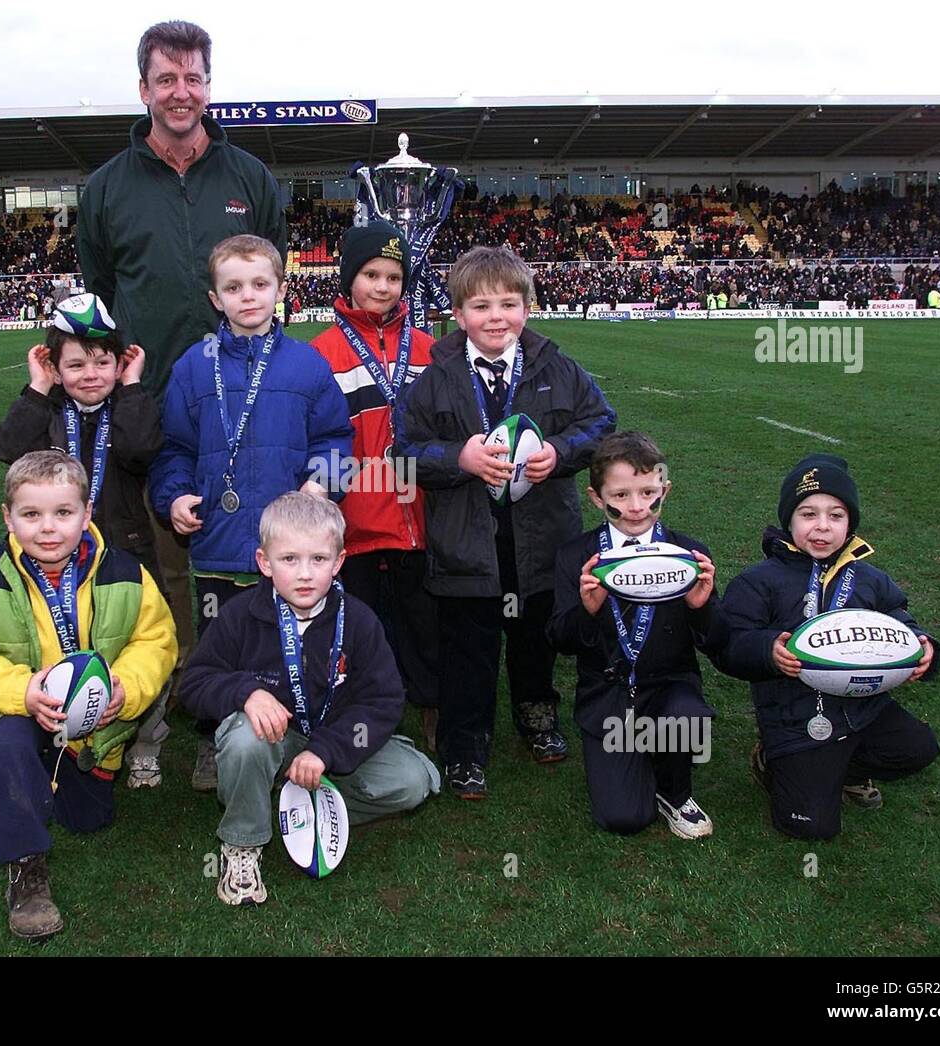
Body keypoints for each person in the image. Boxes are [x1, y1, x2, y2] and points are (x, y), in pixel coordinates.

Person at [77, 19, 287, 789]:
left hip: (246, 406)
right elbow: (99, 296)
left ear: (208, 84)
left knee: (242, 569)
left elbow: (270, 275)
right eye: (166, 79)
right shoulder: (105, 188)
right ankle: (157, 704)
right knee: (161, 569)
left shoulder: (252, 178)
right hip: (150, 413)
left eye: (193, 77)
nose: (180, 92)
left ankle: (227, 716)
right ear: (144, 89)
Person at [396, 246, 617, 799]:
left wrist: (561, 451)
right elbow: (405, 451)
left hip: (540, 538)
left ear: (528, 306)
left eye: (509, 304)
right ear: (458, 313)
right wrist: (458, 459)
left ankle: (537, 714)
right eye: (480, 305)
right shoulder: (434, 377)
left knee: (534, 635)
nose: (496, 317)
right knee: (467, 646)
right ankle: (464, 745)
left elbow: (601, 422)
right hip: (465, 540)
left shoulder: (558, 368)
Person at [0, 451, 177, 939]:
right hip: (20, 711)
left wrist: (125, 688)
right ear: (8, 517)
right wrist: (20, 690)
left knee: (88, 820)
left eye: (63, 513)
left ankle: (50, 776)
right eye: (31, 515)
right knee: (7, 747)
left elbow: (157, 641)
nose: (48, 528)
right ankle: (25, 868)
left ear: (87, 513)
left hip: (93, 728)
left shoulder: (125, 571)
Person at [149, 234, 353, 789]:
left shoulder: (307, 365)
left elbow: (339, 439)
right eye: (233, 287)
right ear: (216, 298)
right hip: (220, 547)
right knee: (223, 655)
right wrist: (176, 497)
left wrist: (322, 483)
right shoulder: (193, 368)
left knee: (290, 651)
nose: (248, 297)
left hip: (292, 555)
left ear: (280, 289)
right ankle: (221, 743)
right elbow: (175, 451)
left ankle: (299, 737)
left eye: (260, 284)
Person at [180, 493, 440, 906]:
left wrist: (327, 750)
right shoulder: (239, 615)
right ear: (265, 562)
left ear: (338, 562)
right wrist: (245, 692)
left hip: (332, 746)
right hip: (274, 742)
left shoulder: (358, 619)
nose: (305, 574)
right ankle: (244, 842)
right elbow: (192, 686)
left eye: (318, 560)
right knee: (248, 738)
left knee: (414, 781)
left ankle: (300, 807)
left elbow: (384, 701)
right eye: (289, 560)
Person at [0, 297, 170, 789]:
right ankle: (60, 733)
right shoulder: (47, 412)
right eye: (74, 364)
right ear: (55, 366)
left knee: (131, 647)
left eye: (102, 361)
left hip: (125, 552)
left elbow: (141, 451)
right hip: (55, 558)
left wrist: (131, 388)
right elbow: (6, 449)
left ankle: (145, 743)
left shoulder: (131, 405)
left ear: (120, 362)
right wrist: (38, 389)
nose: (90, 374)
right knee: (65, 639)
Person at [716, 454, 940, 840]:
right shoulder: (759, 582)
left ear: (850, 523)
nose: (822, 527)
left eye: (836, 516)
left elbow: (898, 617)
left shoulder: (869, 578)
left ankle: (849, 770)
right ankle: (772, 761)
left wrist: (924, 647)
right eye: (808, 514)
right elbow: (727, 643)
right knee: (810, 826)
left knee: (920, 748)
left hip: (865, 707)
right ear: (789, 519)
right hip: (796, 718)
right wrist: (768, 650)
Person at [548, 432, 727, 839]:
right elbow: (558, 638)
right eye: (622, 494)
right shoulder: (576, 556)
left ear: (664, 490)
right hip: (607, 695)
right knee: (623, 818)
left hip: (669, 687)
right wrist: (587, 612)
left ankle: (674, 791)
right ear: (596, 498)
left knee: (685, 717)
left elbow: (718, 642)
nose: (636, 507)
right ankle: (639, 754)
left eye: (648, 492)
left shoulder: (689, 554)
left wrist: (702, 608)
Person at [310, 220, 440, 749]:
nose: (383, 286)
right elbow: (320, 438)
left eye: (394, 276)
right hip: (355, 520)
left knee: (424, 622)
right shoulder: (321, 352)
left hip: (418, 516)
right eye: (370, 274)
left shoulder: (432, 349)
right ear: (348, 278)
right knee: (359, 625)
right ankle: (365, 713)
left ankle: (432, 704)